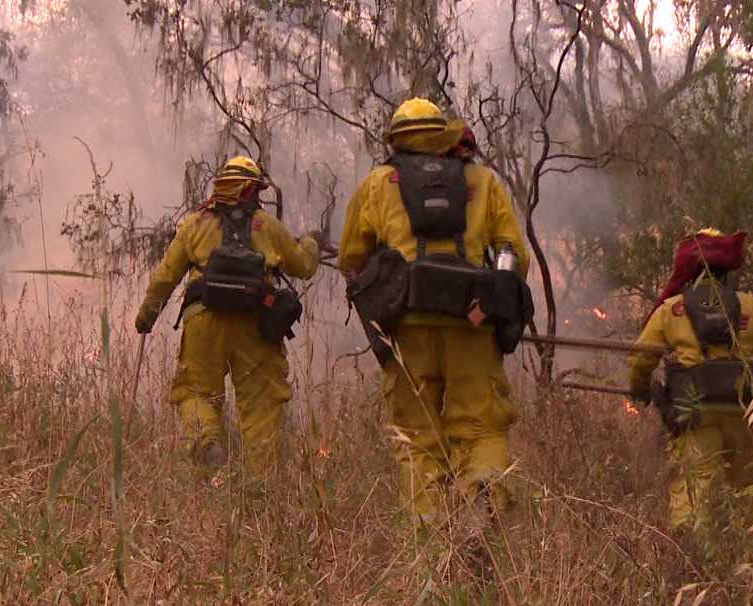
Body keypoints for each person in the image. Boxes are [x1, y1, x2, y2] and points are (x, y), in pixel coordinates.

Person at [337, 98, 531, 526]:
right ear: (443, 134)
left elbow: (351, 254)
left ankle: (430, 543)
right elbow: (516, 256)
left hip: (406, 327)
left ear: (396, 138)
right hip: (473, 323)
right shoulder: (482, 180)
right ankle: (481, 499)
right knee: (481, 428)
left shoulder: (378, 183)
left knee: (418, 439)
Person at [134, 156, 319, 473]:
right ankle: (259, 485)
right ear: (252, 190)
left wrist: (147, 316)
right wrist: (311, 244)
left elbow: (166, 276)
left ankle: (206, 441)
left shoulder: (194, 224)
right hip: (256, 323)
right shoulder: (268, 226)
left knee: (196, 392)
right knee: (261, 402)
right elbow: (302, 266)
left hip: (203, 320)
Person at [627, 229, 753, 530]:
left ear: (688, 269)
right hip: (745, 413)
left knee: (694, 494)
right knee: (746, 493)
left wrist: (641, 390)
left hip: (695, 416)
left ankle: (693, 565)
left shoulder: (672, 309)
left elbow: (639, 359)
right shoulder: (750, 305)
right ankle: (750, 560)